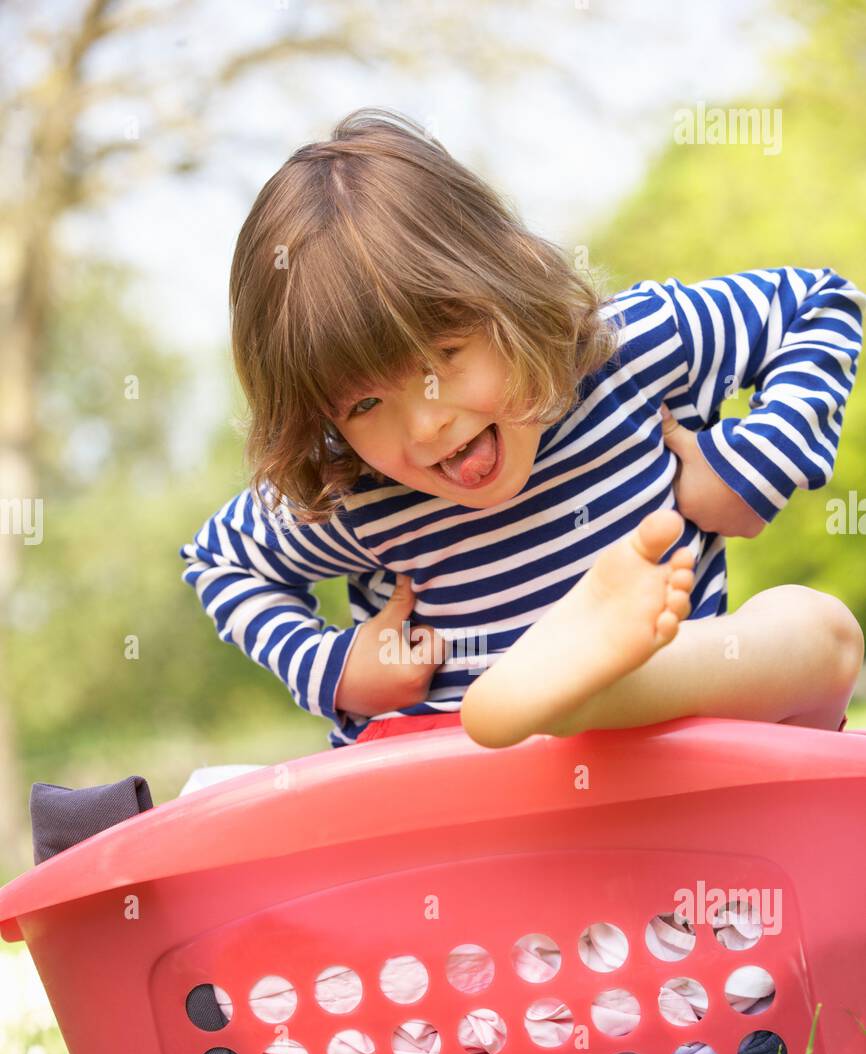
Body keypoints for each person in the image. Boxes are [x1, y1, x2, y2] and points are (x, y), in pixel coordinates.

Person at [179, 108, 865, 751]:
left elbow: (819, 302)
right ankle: (572, 700)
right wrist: (334, 668)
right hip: (461, 806)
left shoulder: (630, 352)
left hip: (653, 782)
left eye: (444, 357)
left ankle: (595, 696)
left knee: (821, 630)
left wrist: (752, 467)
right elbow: (219, 559)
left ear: (509, 285)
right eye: (363, 406)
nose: (425, 423)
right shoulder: (358, 495)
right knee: (827, 637)